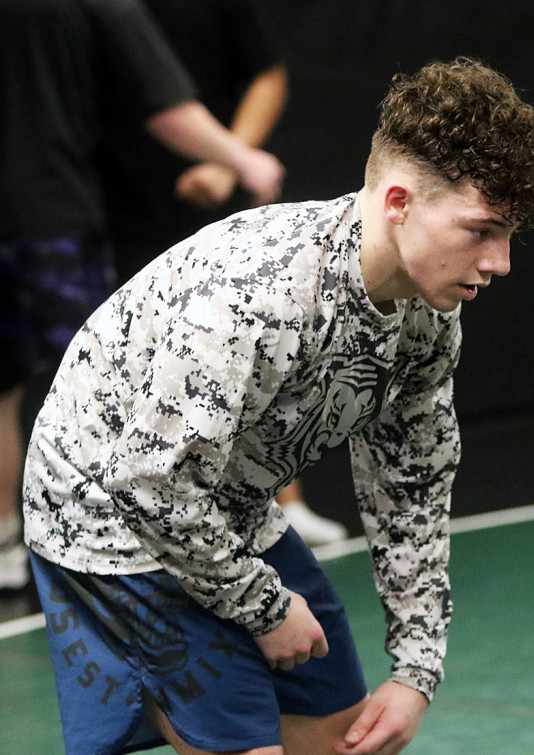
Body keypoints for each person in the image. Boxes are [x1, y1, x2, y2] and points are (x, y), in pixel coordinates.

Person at [24, 56, 534, 755]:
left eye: (509, 234)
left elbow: (412, 485)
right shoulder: (258, 294)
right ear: (399, 202)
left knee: (345, 740)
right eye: (481, 231)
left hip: (225, 506)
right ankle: (159, 690)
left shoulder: (429, 315)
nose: (500, 262)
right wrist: (266, 607)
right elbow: (149, 484)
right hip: (106, 511)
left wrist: (417, 669)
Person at [0, 0, 284, 592]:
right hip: (50, 220)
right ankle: (95, 549)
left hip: (45, 214)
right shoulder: (102, 6)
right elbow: (165, 105)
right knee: (87, 392)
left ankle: (9, 541)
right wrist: (243, 160)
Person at [99, 0, 346, 546]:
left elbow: (267, 74)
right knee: (136, 366)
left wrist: (228, 160)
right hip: (119, 215)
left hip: (222, 210)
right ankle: (147, 519)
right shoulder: (99, 11)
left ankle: (282, 504)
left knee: (258, 354)